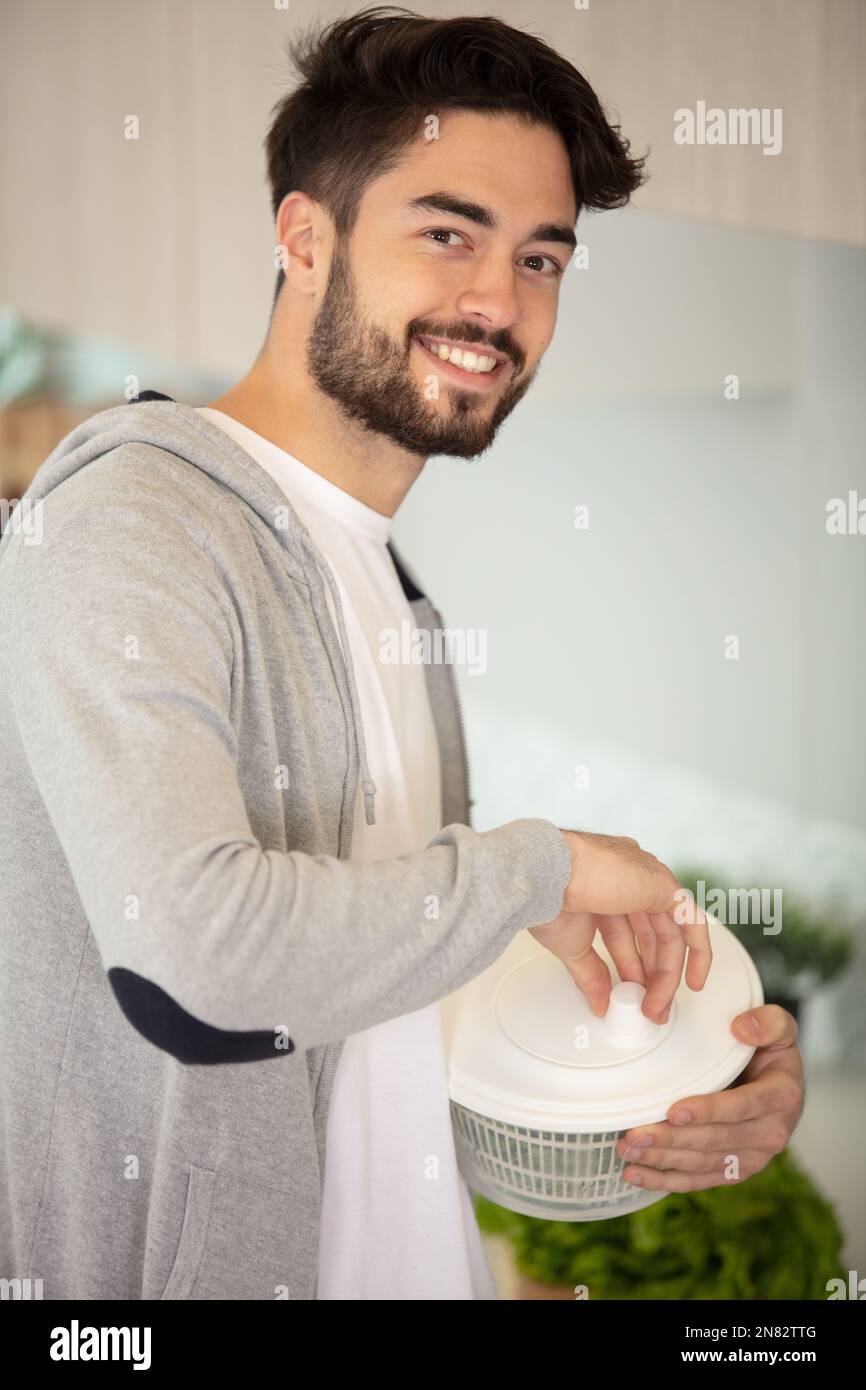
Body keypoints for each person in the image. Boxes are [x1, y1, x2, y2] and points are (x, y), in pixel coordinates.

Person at [0, 6, 803, 1302]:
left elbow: (366, 1035)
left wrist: (686, 1095)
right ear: (304, 236)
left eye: (542, 257)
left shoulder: (391, 588)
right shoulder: (129, 518)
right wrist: (537, 865)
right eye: (447, 232)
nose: (498, 299)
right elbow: (193, 963)